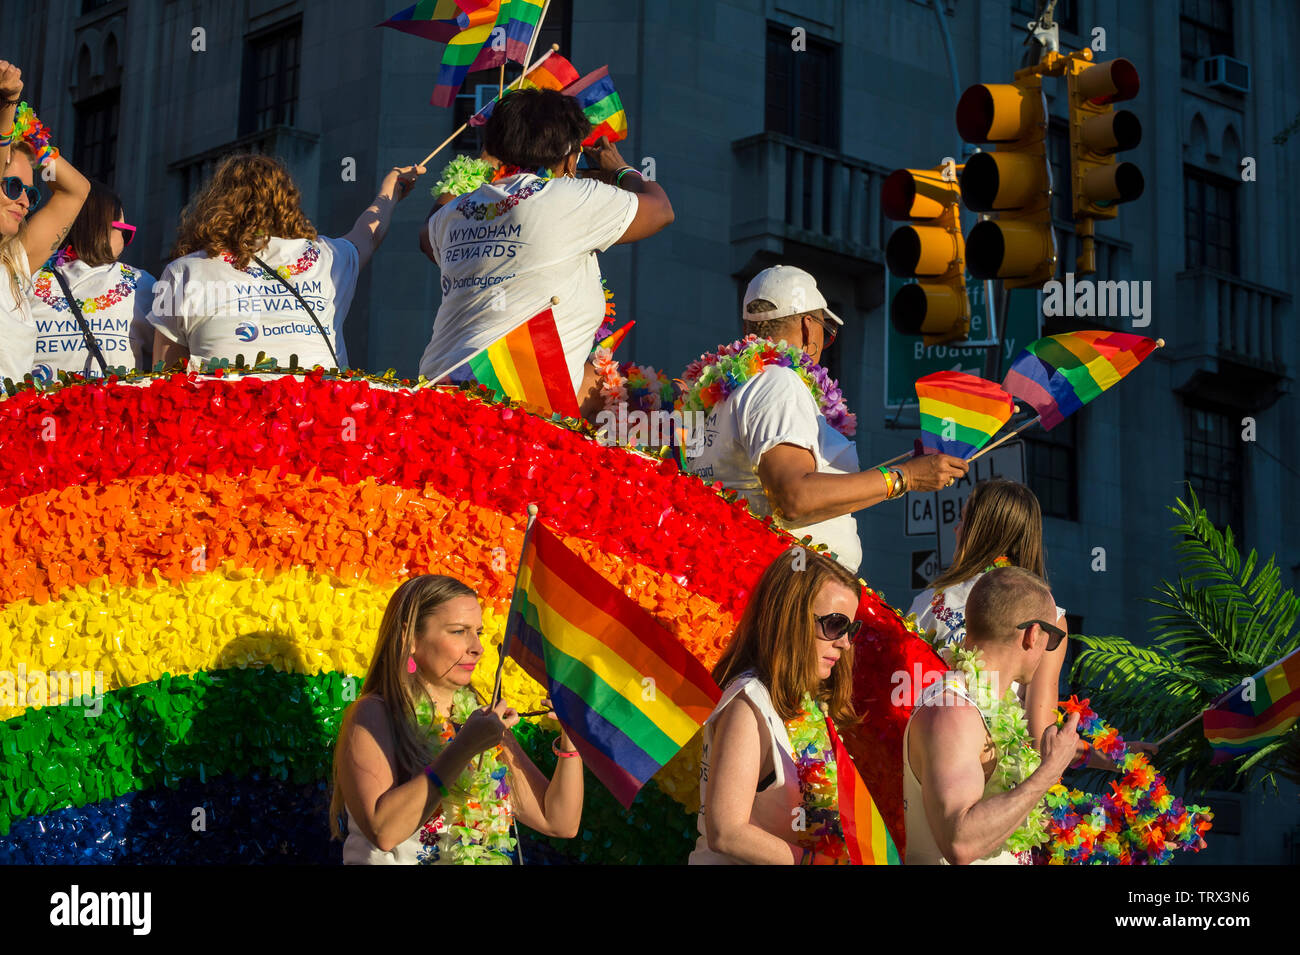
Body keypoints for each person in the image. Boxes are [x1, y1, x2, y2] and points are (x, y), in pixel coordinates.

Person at [682, 265, 968, 572]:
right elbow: (793, 498)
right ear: (808, 327)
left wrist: (906, 468)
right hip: (792, 581)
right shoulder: (777, 382)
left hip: (762, 572)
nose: (824, 342)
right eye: (826, 331)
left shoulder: (725, 391)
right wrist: (903, 478)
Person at [417, 88, 674, 389]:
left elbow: (427, 235)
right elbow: (661, 210)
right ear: (570, 155)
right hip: (510, 404)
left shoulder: (452, 213)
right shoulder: (571, 199)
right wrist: (619, 169)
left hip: (434, 394)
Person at [330, 574, 583, 864]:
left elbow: (559, 822)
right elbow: (384, 830)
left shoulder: (479, 719)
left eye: (478, 632)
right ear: (409, 638)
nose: (477, 647)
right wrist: (465, 748)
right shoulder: (375, 713)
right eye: (459, 631)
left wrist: (571, 735)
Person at [151, 154, 424, 372]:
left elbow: (165, 378)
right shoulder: (328, 258)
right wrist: (391, 188)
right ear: (288, 201)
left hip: (228, 429)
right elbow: (369, 233)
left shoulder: (184, 270)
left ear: (216, 202)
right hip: (318, 424)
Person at [690, 547, 862, 865]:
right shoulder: (747, 704)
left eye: (851, 629)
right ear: (790, 618)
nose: (845, 642)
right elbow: (726, 831)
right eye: (836, 625)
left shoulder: (808, 704)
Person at [902, 566, 1081, 865]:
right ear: (1033, 634)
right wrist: (1048, 772)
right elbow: (960, 841)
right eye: (1052, 639)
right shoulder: (952, 712)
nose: (1048, 650)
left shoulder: (1000, 709)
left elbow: (1010, 814)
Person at [908, 479, 1067, 744]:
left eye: (962, 521)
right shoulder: (1048, 614)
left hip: (925, 751)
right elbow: (1041, 736)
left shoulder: (928, 601)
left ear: (979, 532)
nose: (955, 530)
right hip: (995, 766)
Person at [0, 62, 90, 385]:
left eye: (30, 192)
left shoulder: (16, 262)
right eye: (12, 187)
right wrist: (9, 106)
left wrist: (33, 138)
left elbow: (76, 191)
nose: (24, 202)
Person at [28, 180, 154, 380]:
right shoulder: (141, 284)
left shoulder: (28, 277)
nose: (126, 240)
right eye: (125, 231)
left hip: (33, 410)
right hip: (117, 409)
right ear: (99, 228)